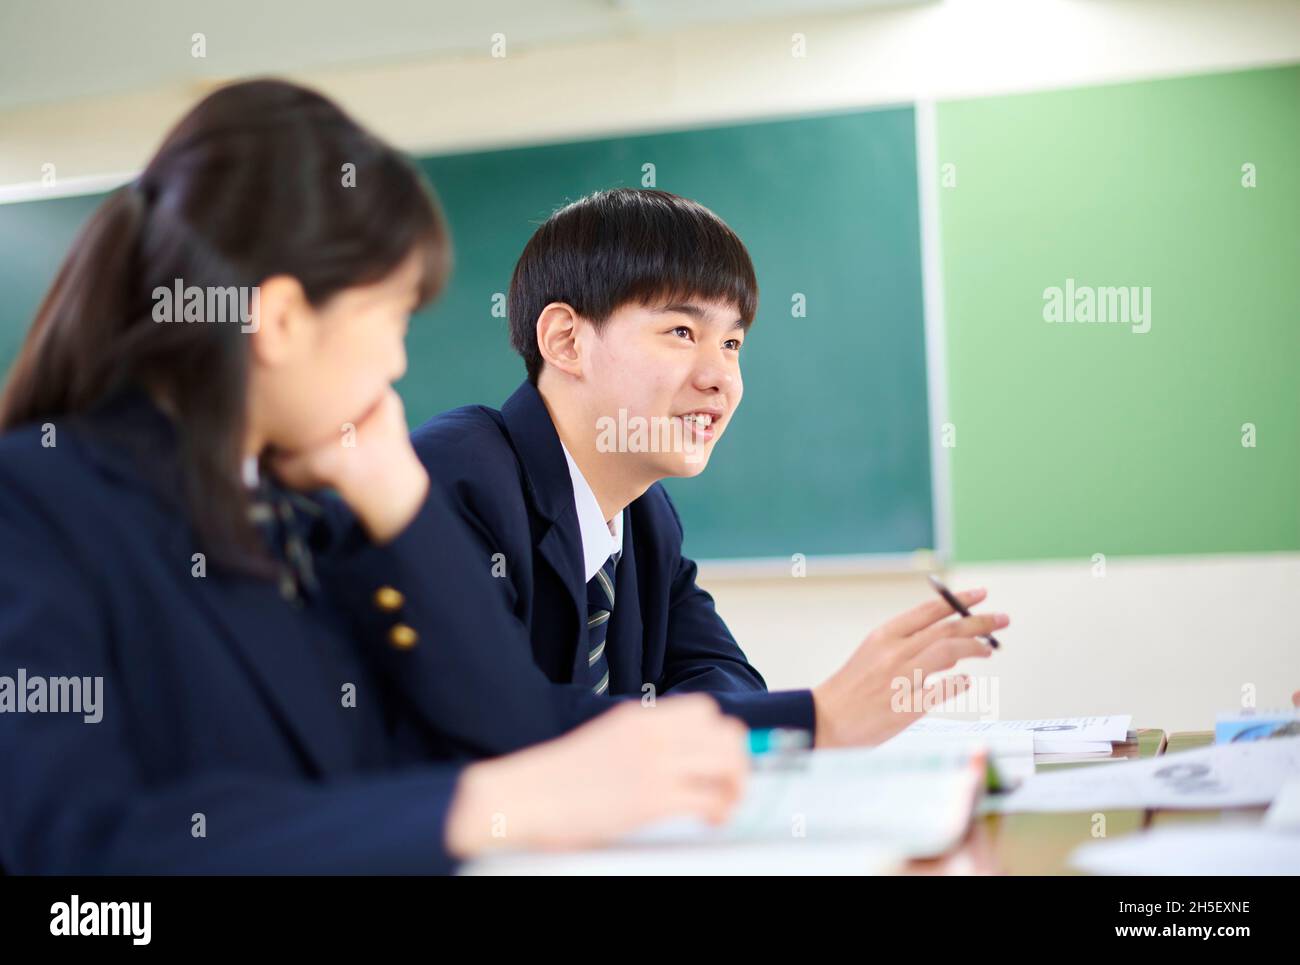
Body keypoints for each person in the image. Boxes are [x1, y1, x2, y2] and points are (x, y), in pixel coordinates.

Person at [0, 80, 748, 874]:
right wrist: (485, 805)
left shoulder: (300, 519)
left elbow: (510, 722)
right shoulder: (35, 505)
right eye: (391, 319)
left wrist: (399, 501)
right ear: (280, 322)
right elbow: (81, 851)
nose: (396, 363)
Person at [411, 188, 1006, 749]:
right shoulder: (456, 478)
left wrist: (723, 729)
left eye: (731, 344)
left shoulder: (646, 516)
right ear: (567, 340)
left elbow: (724, 675)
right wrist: (818, 717)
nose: (720, 378)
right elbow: (508, 727)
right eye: (682, 331)